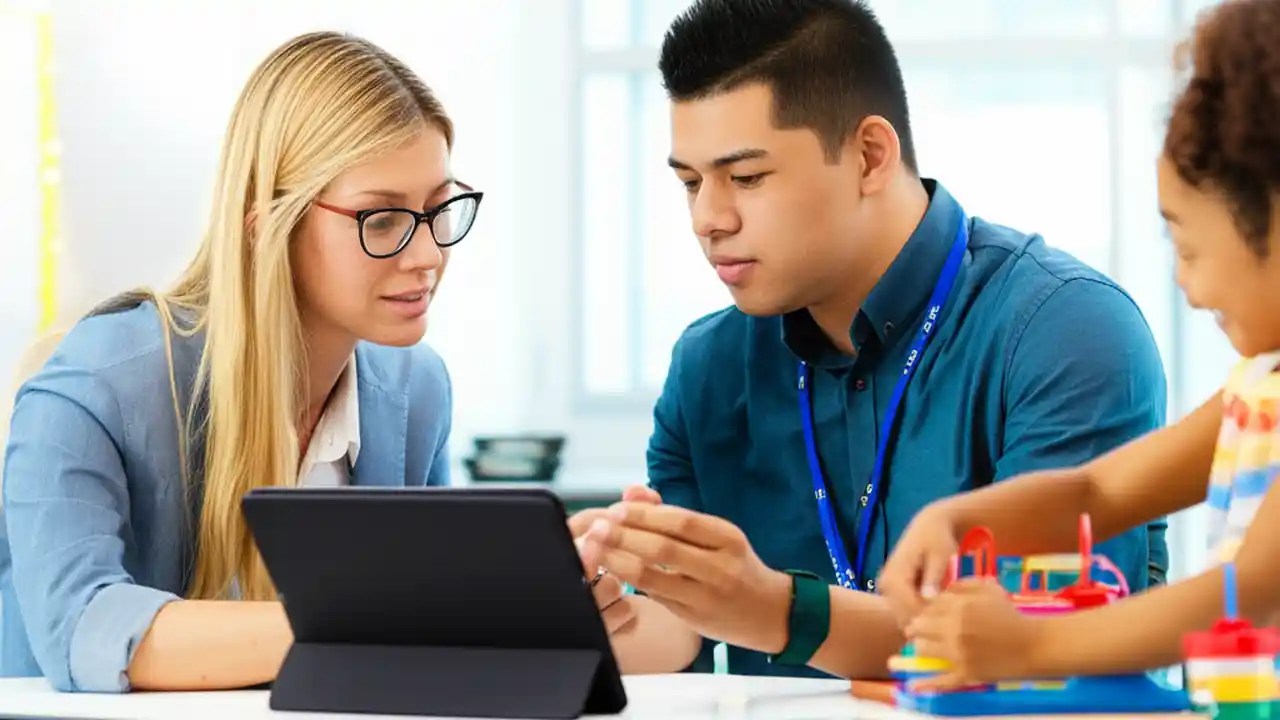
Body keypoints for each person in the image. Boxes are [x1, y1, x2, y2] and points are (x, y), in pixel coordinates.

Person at [0, 31, 670, 693]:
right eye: (381, 220)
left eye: (440, 209)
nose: (429, 255)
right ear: (267, 225)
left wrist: (523, 602)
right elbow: (80, 626)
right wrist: (399, 617)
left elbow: (418, 647)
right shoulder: (98, 384)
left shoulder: (416, 390)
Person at [576, 0, 1168, 680]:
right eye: (689, 183)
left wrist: (778, 609)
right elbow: (683, 632)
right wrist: (593, 612)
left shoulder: (1065, 330)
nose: (707, 219)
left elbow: (1040, 647)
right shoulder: (706, 367)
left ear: (869, 156)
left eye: (745, 178)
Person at [874, 0, 1280, 690]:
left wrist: (1031, 645)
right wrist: (957, 518)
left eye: (1188, 247)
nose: (1185, 284)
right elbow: (1099, 489)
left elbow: (1248, 597)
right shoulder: (1259, 388)